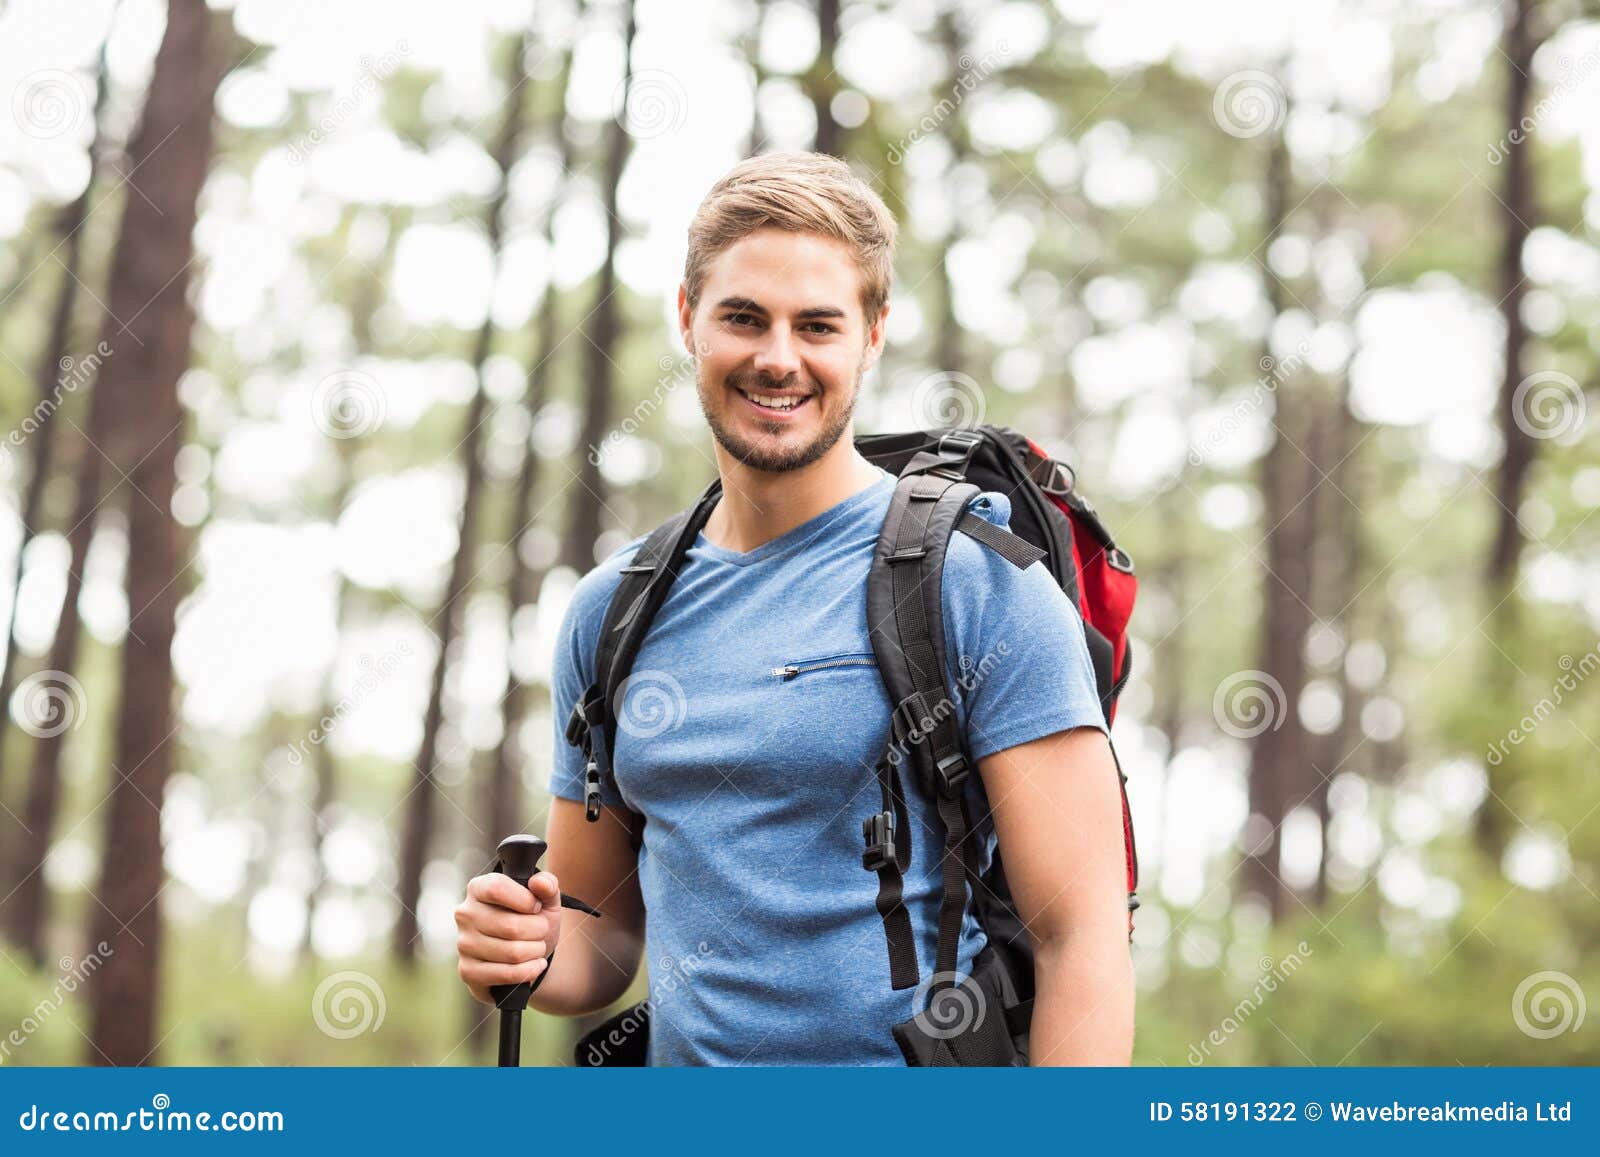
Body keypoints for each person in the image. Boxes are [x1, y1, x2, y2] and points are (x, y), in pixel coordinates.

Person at [455, 151, 1134, 1066]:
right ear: (689, 317)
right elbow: (601, 935)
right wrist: (530, 949)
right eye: (744, 317)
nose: (779, 358)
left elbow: (1080, 937)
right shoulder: (611, 612)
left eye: (818, 324)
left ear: (873, 334)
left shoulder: (977, 583)